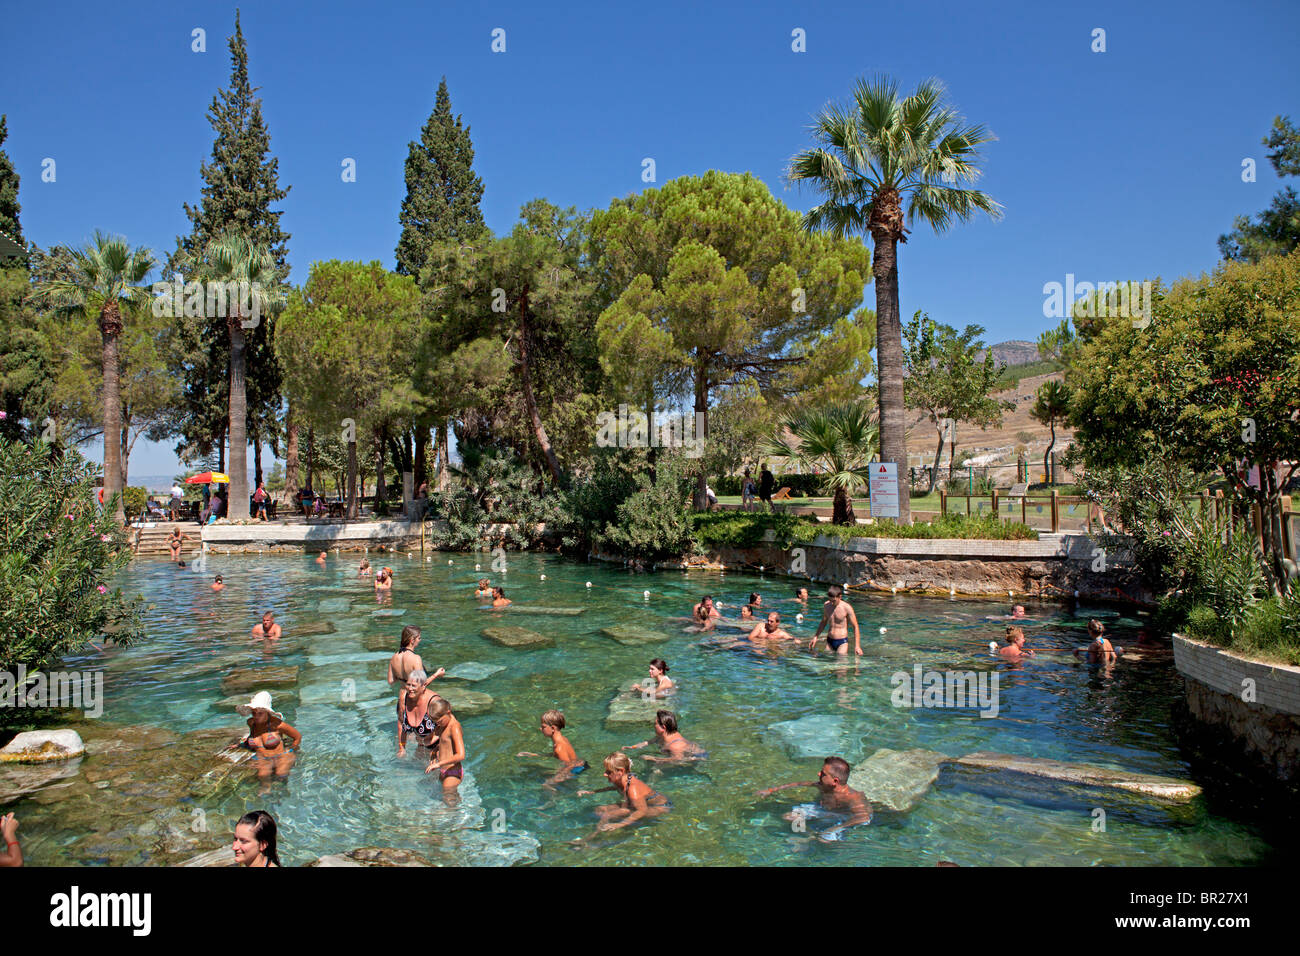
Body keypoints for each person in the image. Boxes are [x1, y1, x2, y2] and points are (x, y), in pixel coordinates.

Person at [756, 756, 873, 840]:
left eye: (823, 773)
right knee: (789, 817)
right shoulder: (823, 785)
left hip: (844, 817)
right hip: (824, 810)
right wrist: (771, 790)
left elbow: (864, 818)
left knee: (825, 839)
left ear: (835, 781)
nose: (818, 774)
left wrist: (836, 828)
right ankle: (810, 835)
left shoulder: (852, 797)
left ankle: (818, 839)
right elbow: (799, 784)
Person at [576, 752, 670, 832]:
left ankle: (594, 837)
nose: (604, 774)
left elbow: (642, 811)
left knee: (609, 815)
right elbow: (614, 788)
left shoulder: (633, 789)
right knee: (599, 810)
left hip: (660, 807)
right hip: (641, 803)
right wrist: (591, 792)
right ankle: (596, 833)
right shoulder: (623, 779)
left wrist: (620, 825)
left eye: (608, 772)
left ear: (620, 771)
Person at [517, 710, 588, 788]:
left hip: (576, 769)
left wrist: (552, 781)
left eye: (543, 727)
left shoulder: (559, 748)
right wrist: (534, 754)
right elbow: (556, 755)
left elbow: (568, 767)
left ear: (553, 728)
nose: (540, 729)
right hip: (581, 764)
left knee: (545, 784)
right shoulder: (563, 739)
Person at [622, 710, 704, 761]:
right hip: (676, 755)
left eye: (655, 724)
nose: (653, 726)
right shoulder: (661, 736)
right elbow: (647, 742)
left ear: (663, 727)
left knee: (656, 767)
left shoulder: (675, 746)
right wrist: (632, 747)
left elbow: (678, 760)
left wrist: (653, 758)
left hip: (697, 758)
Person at [237, 691, 301, 754]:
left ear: (267, 712)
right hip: (260, 758)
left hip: (279, 758)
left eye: (260, 713)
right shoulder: (251, 722)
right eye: (254, 713)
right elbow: (252, 735)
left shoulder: (277, 725)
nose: (256, 716)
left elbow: (298, 737)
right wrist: (242, 744)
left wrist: (290, 750)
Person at [397, 670, 443, 756]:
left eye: (413, 686)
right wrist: (402, 747)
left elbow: (449, 726)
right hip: (420, 747)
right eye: (408, 684)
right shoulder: (404, 698)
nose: (410, 689)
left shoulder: (434, 701)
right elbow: (400, 723)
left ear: (424, 686)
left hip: (438, 747)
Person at [424, 697, 465, 789]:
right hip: (444, 770)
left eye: (439, 721)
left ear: (448, 713)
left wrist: (439, 764)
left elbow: (461, 755)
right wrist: (434, 752)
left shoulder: (454, 728)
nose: (438, 724)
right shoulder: (444, 724)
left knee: (448, 799)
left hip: (452, 773)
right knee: (442, 800)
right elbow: (446, 744)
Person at [810, 584, 862, 655]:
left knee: (841, 663)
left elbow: (855, 626)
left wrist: (857, 646)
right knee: (825, 664)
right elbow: (823, 622)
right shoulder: (826, 605)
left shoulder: (847, 608)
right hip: (829, 641)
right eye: (830, 600)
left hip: (842, 642)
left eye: (833, 601)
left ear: (840, 597)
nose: (831, 603)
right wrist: (815, 637)